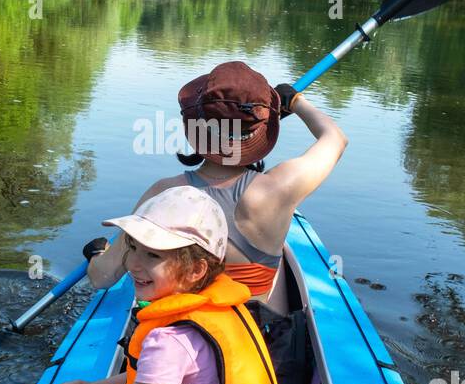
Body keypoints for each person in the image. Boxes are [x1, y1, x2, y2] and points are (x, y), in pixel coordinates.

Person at [0, 186, 286, 384]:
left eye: (152, 254)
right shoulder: (220, 305)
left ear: (196, 269)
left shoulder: (168, 341)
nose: (134, 264)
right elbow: (175, 378)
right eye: (133, 247)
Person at [85, 61, 348, 303]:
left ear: (195, 127)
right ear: (264, 129)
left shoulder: (165, 194)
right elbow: (335, 139)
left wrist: (97, 254)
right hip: (252, 336)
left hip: (182, 335)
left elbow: (102, 277)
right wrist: (296, 101)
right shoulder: (279, 189)